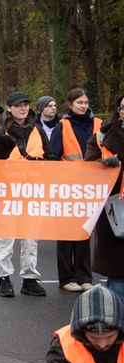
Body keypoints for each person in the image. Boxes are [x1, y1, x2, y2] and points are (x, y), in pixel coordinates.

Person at [0, 91, 55, 298]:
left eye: (25, 104)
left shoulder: (37, 130)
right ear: (9, 108)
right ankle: (3, 278)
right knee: (5, 238)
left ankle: (30, 278)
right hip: (7, 193)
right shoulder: (0, 133)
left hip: (32, 192)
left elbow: (51, 156)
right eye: (18, 105)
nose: (23, 108)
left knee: (30, 237)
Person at [50, 88, 99, 292]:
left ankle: (84, 277)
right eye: (79, 102)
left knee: (84, 233)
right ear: (69, 105)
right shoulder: (62, 126)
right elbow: (53, 156)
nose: (83, 106)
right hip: (67, 187)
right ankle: (66, 278)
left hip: (90, 187)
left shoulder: (98, 124)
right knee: (66, 234)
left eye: (86, 102)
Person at [86, 94, 124, 302]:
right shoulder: (104, 133)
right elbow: (89, 161)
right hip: (114, 210)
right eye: (122, 108)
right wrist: (103, 165)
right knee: (117, 275)